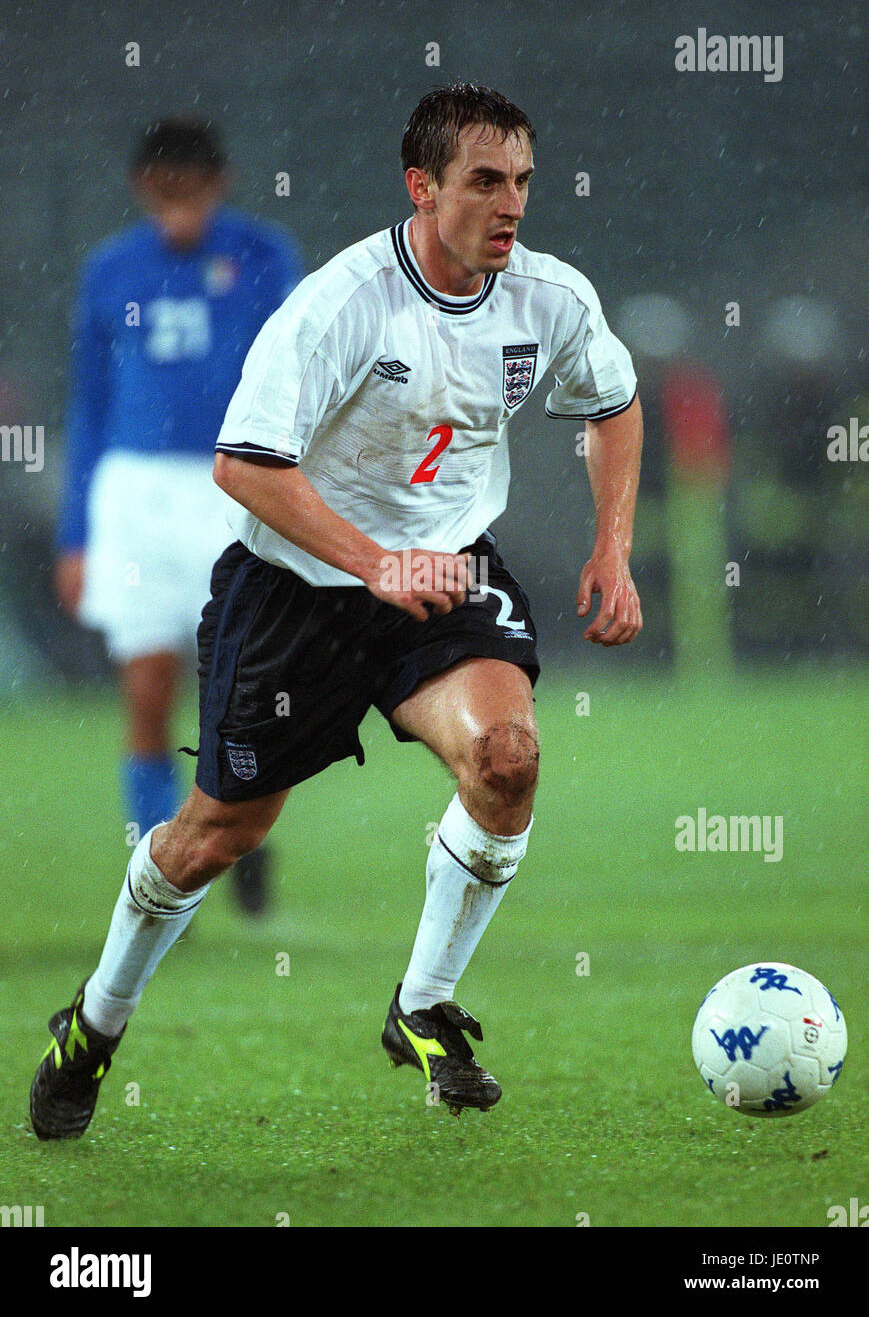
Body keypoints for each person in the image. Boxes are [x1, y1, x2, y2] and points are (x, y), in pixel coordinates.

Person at [31, 83, 642, 1139]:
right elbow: (243, 466)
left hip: (442, 580)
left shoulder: (547, 297)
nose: (510, 206)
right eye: (483, 181)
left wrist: (612, 547)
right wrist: (374, 562)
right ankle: (94, 1019)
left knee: (506, 759)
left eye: (522, 183)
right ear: (422, 186)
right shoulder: (339, 302)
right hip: (294, 592)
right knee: (218, 832)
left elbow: (614, 402)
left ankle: (418, 1006)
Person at [54, 116, 305, 914]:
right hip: (133, 493)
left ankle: (241, 832)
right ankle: (156, 872)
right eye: (162, 198)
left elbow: (299, 382)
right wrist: (76, 534)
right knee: (148, 682)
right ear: (141, 191)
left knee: (240, 681)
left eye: (189, 196)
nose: (177, 215)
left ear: (218, 185)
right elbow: (89, 402)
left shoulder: (265, 257)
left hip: (234, 482)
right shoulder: (110, 270)